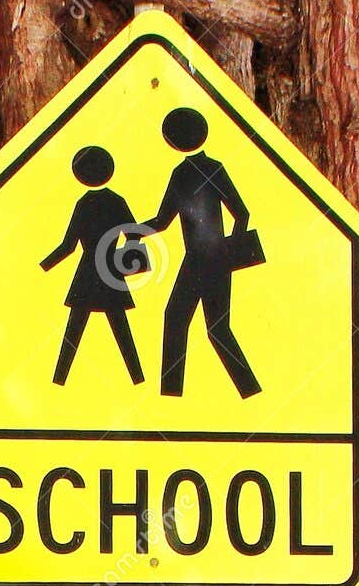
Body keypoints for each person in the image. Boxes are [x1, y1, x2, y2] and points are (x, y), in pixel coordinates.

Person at [143, 106, 262, 398]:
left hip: (208, 259)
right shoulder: (196, 170)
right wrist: (131, 228)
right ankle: (173, 396)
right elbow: (164, 220)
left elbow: (240, 213)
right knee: (189, 321)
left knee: (206, 326)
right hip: (203, 259)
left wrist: (232, 254)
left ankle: (248, 392)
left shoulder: (197, 171)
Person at [40, 145, 146, 386]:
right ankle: (138, 379)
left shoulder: (84, 203)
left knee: (74, 330)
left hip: (88, 272)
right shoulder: (116, 201)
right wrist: (122, 257)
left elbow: (68, 246)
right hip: (110, 270)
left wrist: (45, 266)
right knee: (119, 327)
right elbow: (134, 233)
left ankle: (59, 380)